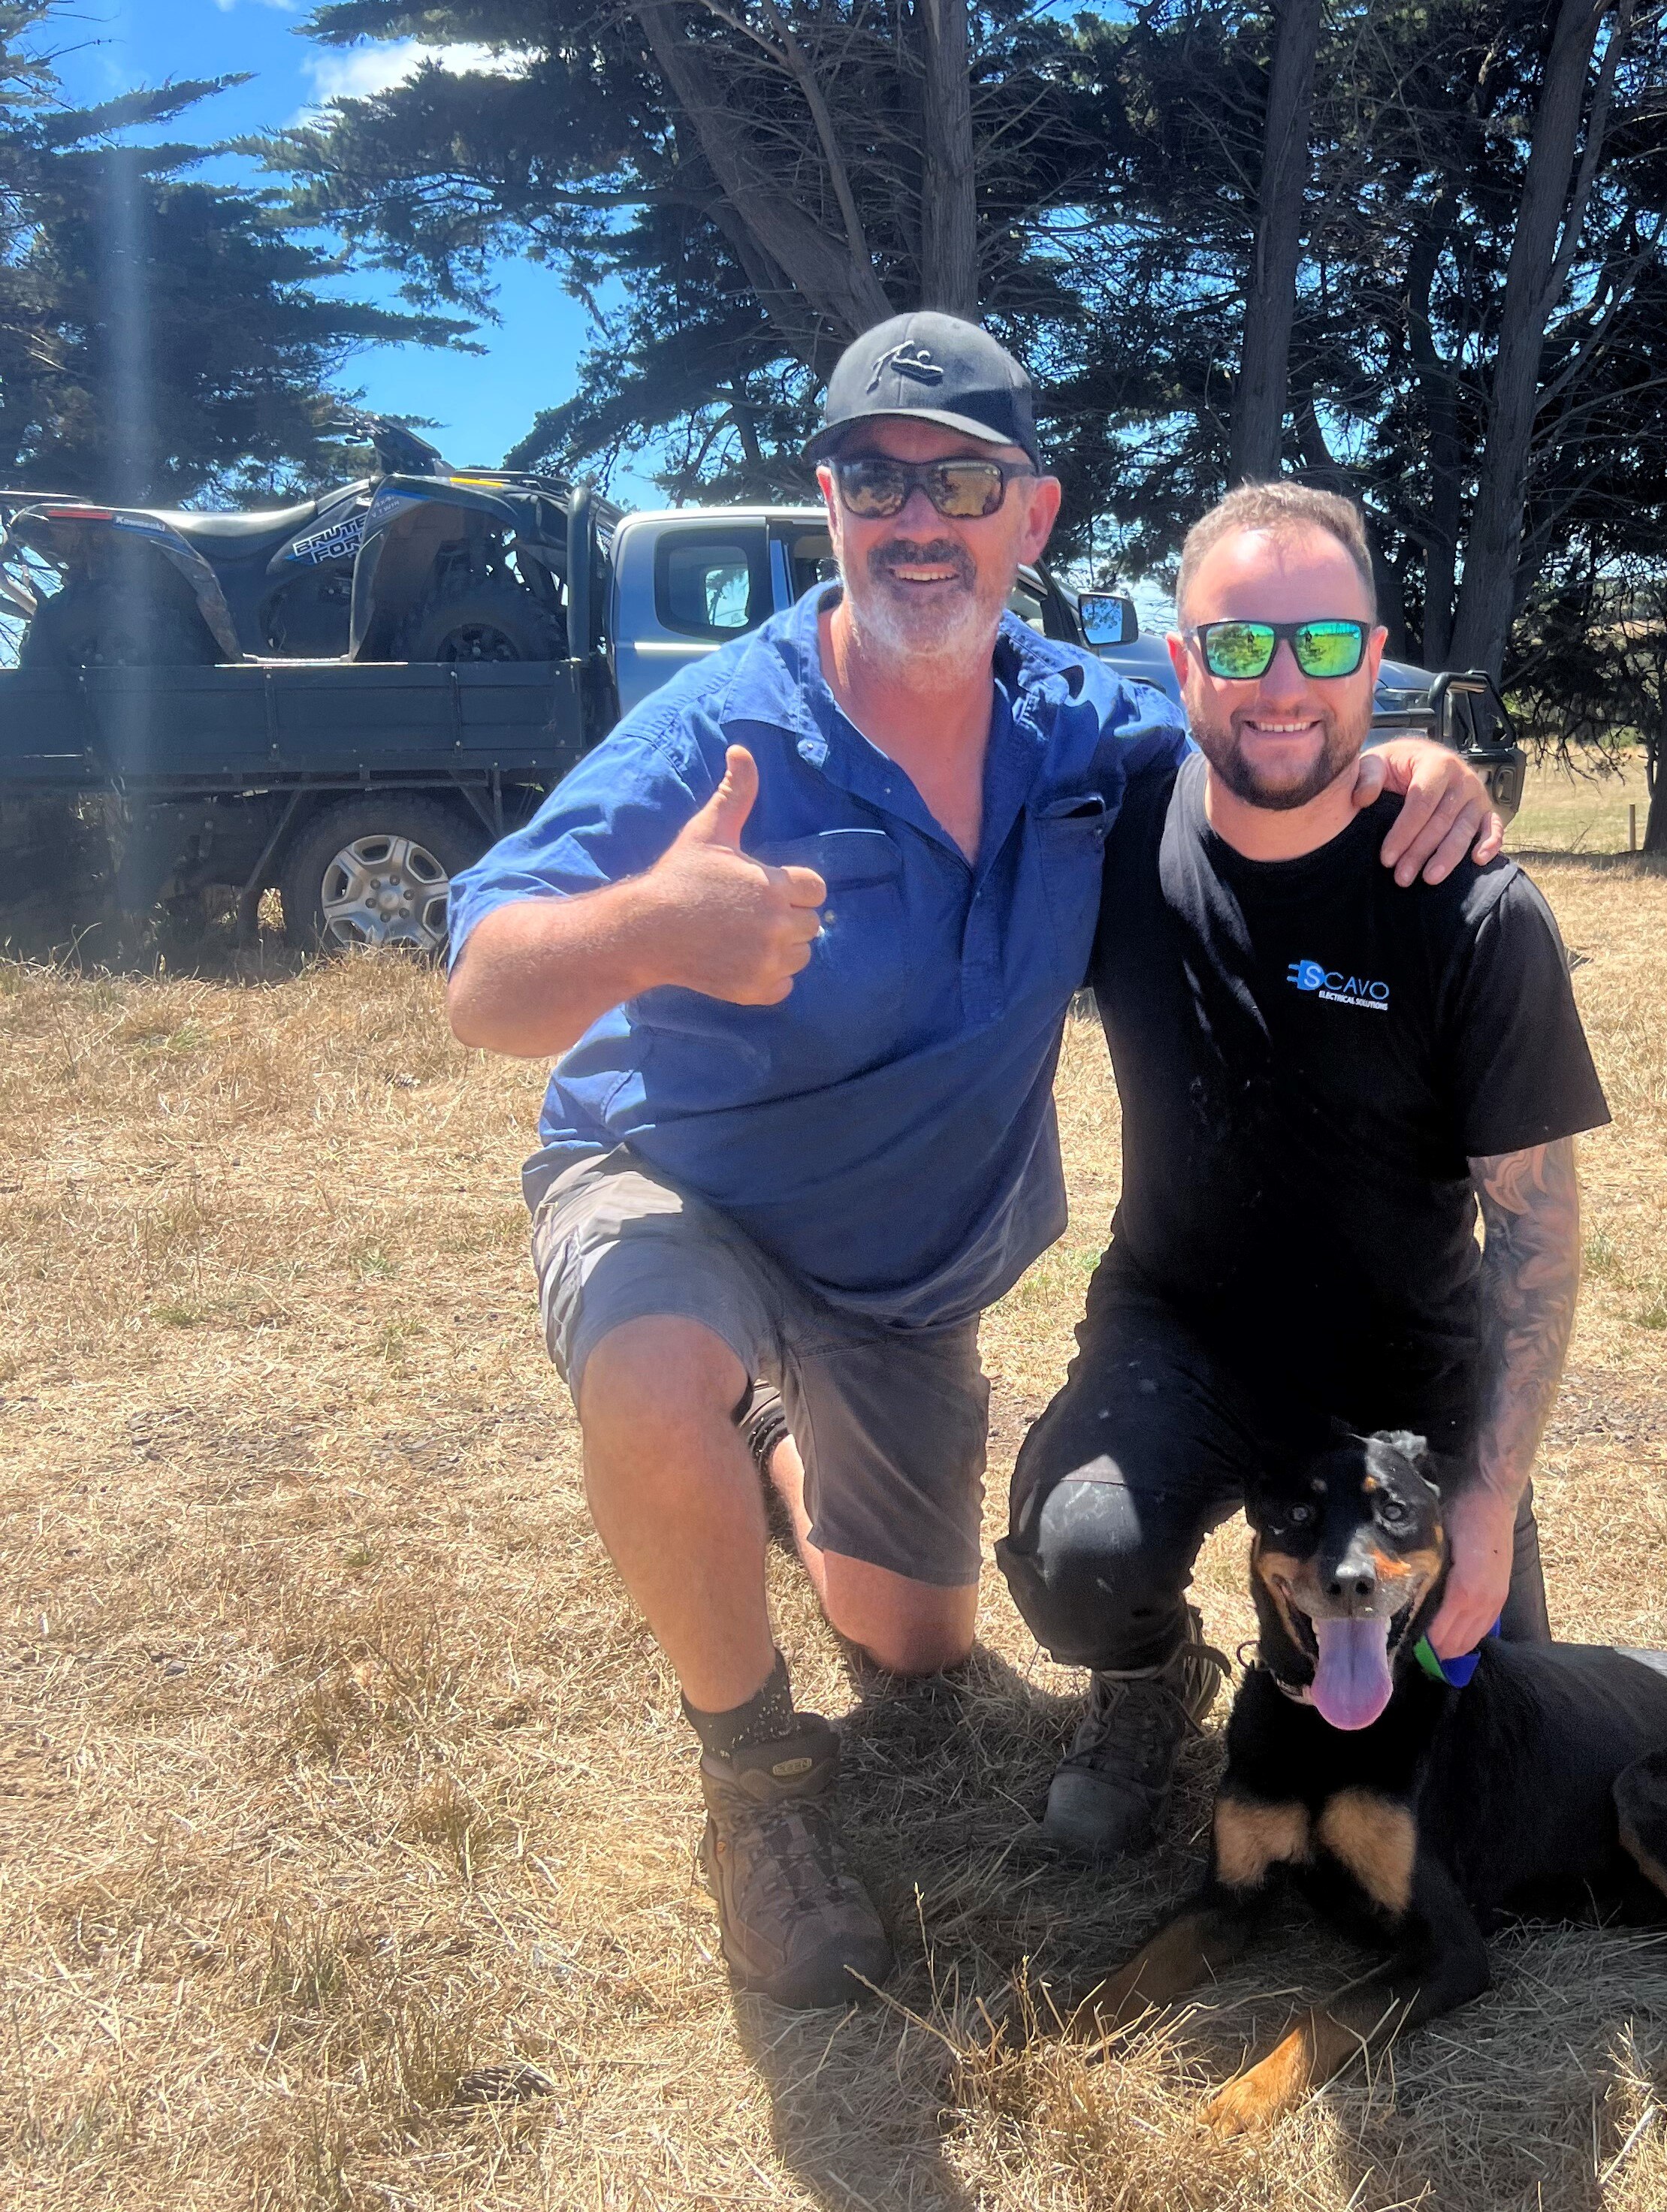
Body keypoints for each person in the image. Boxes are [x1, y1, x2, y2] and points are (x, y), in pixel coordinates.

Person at [442, 313, 1502, 2011]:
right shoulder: (726, 728)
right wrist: (652, 925)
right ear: (831, 499)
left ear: (1035, 512)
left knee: (916, 1651)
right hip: (680, 1180)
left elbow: (1268, 745)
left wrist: (1400, 764)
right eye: (878, 478)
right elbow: (484, 982)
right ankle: (754, 1794)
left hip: (901, 1277)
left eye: (963, 480)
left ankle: (772, 1450)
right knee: (651, 1375)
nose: (917, 517)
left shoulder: (1087, 730)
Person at [1000, 481, 1611, 1859]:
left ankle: (1428, 1586)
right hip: (1182, 1330)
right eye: (1239, 642)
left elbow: (1535, 1232)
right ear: (1179, 659)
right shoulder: (1114, 829)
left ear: (1377, 657)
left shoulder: (1471, 909)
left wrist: (1489, 1497)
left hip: (1406, 1375)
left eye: (1324, 646)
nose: (1283, 683)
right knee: (1076, 1560)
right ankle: (1151, 1685)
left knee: (1491, 1727)